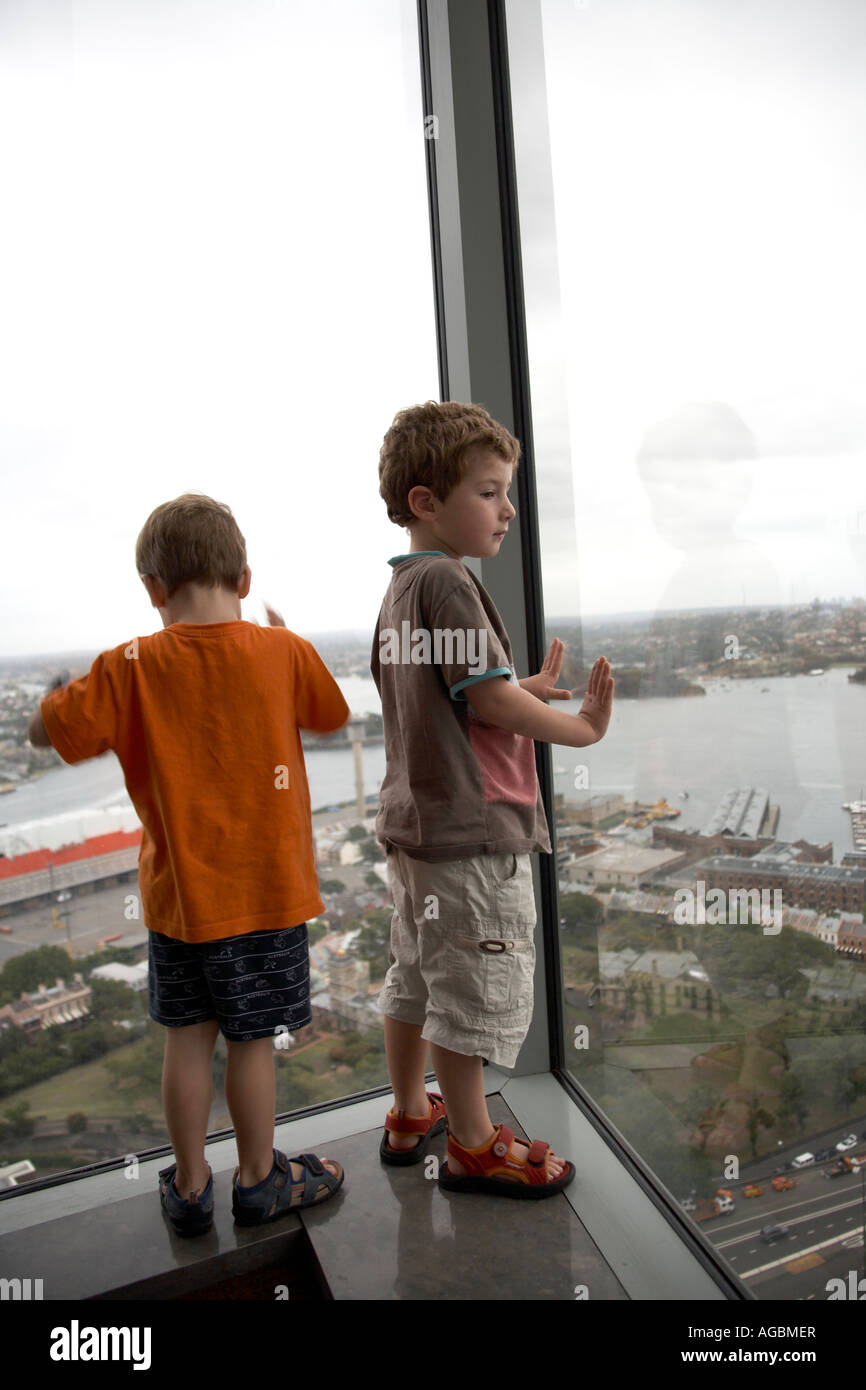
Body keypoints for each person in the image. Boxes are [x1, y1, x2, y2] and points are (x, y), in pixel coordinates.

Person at [28, 492, 349, 1236]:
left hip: (178, 903)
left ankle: (192, 1187)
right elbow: (332, 715)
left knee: (186, 1039)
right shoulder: (282, 651)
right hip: (266, 897)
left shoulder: (129, 665)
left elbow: (51, 732)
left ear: (152, 590)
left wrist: (58, 692)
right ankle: (261, 1180)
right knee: (251, 1044)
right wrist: (287, 639)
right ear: (243, 575)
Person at [372, 401, 614, 1197]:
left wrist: (519, 687)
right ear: (425, 501)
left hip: (417, 830)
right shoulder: (449, 581)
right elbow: (491, 707)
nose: (508, 508)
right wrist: (577, 727)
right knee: (471, 991)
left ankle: (411, 1110)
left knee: (416, 975)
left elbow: (462, 694)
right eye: (489, 491)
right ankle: (474, 1144)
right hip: (472, 839)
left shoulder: (402, 589)